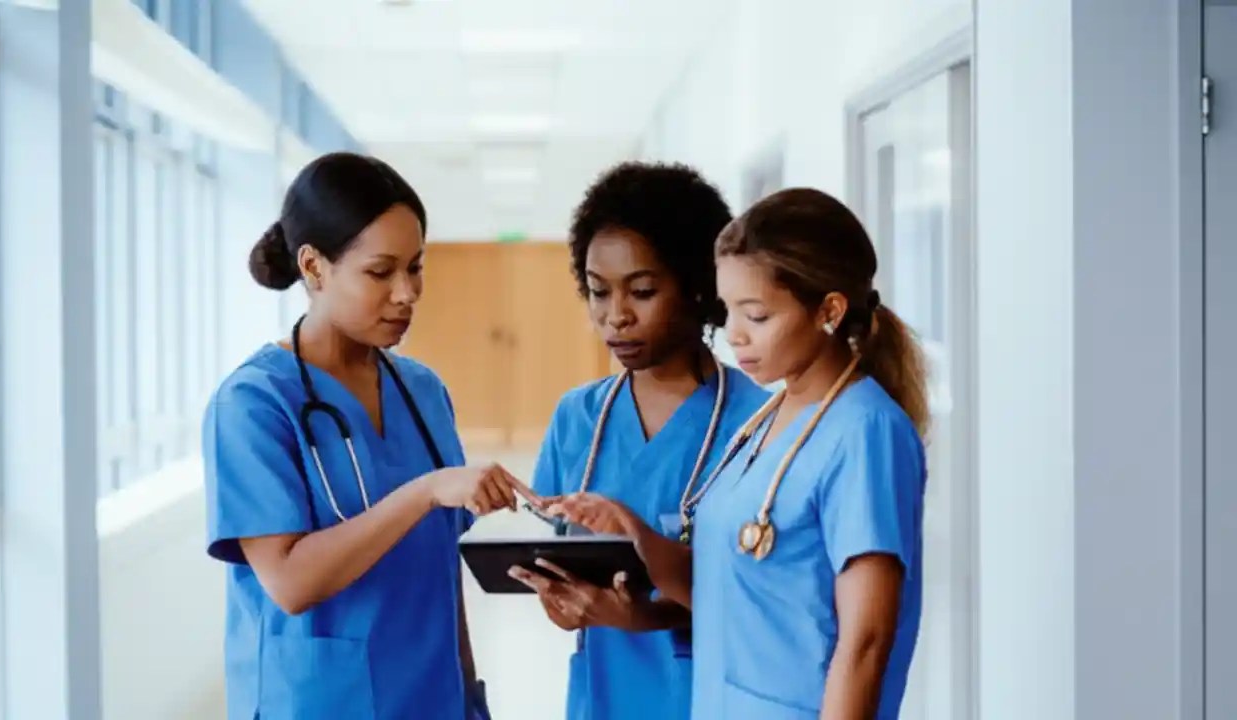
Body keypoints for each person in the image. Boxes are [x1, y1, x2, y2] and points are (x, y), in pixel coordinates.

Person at [549, 188, 929, 719]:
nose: (734, 335)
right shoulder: (768, 419)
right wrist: (636, 535)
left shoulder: (865, 430)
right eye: (729, 311)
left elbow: (865, 641)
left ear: (830, 311)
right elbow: (718, 580)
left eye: (757, 316)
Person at [202, 152, 534, 719]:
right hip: (318, 704)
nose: (407, 293)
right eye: (381, 272)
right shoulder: (255, 404)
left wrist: (471, 694)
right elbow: (290, 582)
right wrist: (424, 491)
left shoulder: (423, 392)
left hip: (433, 699)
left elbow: (440, 571)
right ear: (313, 267)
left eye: (416, 267)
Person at [507, 162, 770, 720]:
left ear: (700, 287)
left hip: (715, 697)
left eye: (643, 291)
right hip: (603, 695)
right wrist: (562, 601)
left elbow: (771, 596)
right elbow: (560, 553)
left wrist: (649, 612)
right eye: (599, 293)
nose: (616, 317)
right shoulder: (579, 418)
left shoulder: (761, 421)